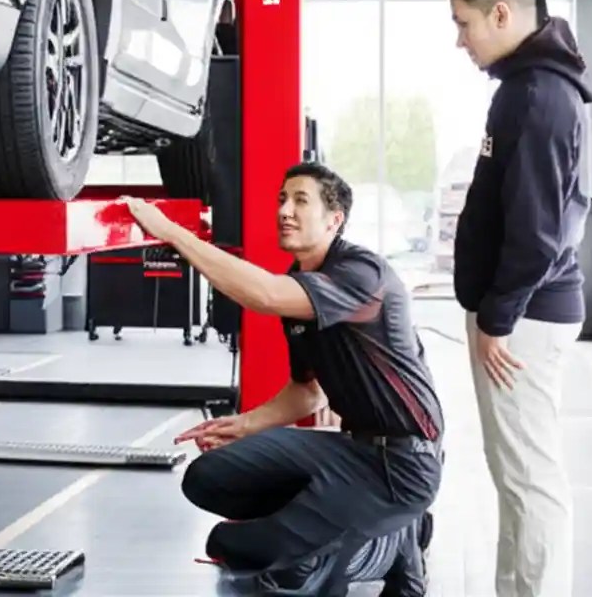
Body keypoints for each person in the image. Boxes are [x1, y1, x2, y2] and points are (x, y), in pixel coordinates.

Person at [123, 162, 445, 596]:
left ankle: (390, 539)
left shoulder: (361, 272)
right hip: (354, 451)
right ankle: (361, 527)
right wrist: (243, 424)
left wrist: (174, 234)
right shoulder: (300, 284)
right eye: (281, 199)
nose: (285, 211)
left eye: (300, 200)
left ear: (335, 220)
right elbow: (308, 391)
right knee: (206, 478)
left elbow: (265, 294)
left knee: (240, 548)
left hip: (404, 465)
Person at [447, 0, 592, 597]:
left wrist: (497, 320)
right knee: (514, 474)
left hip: (524, 320)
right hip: (523, 314)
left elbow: (535, 235)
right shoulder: (530, 89)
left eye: (464, 23)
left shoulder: (537, 98)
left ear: (501, 14)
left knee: (529, 477)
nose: (461, 40)